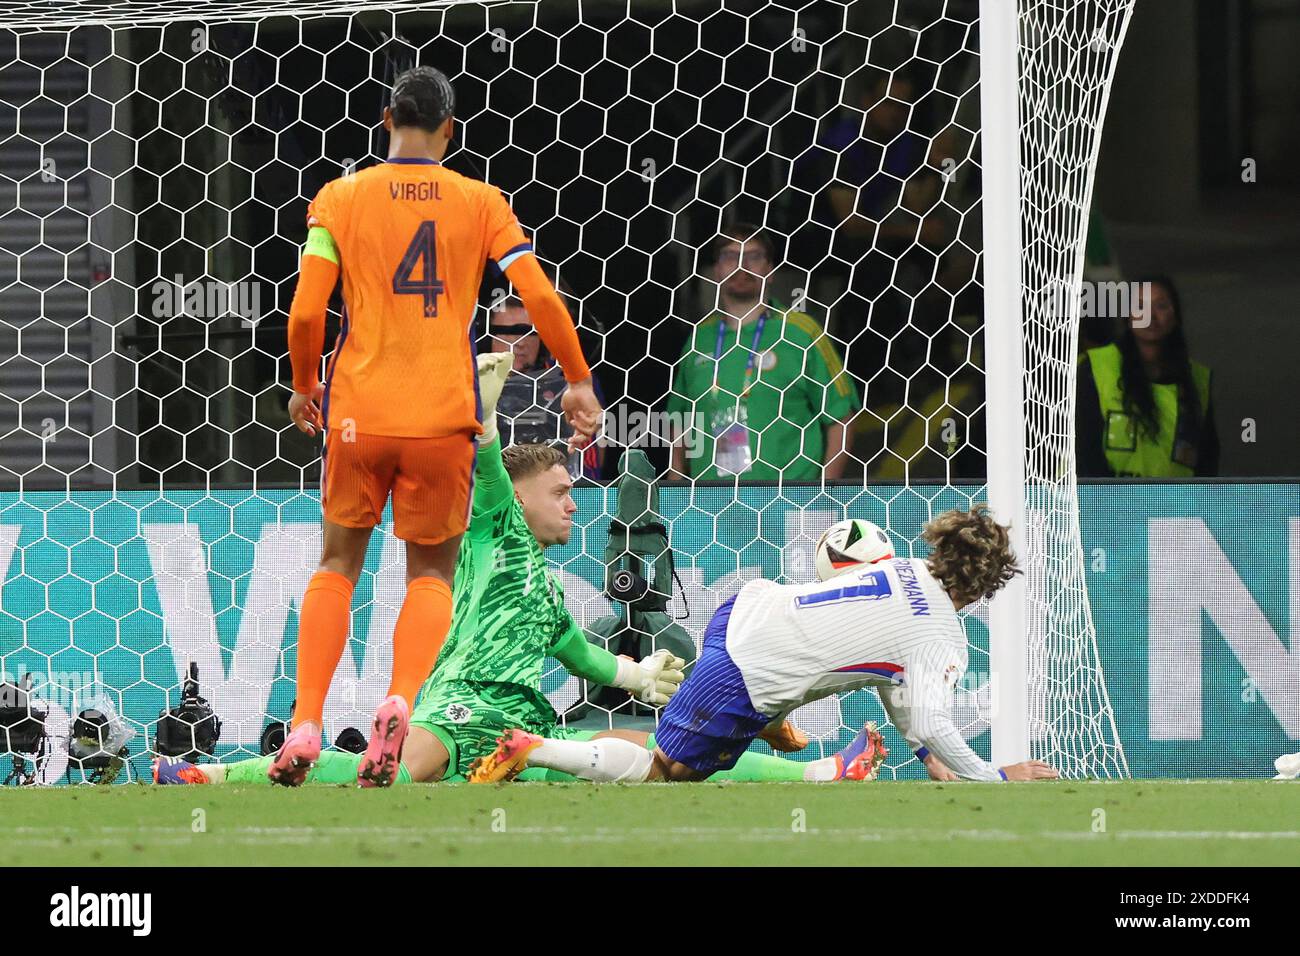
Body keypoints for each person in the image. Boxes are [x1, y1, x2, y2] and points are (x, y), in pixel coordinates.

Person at [155, 355, 853, 786]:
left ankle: (821, 772)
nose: (575, 504)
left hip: (526, 727)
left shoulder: (549, 589)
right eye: (561, 491)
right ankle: (208, 773)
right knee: (392, 776)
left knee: (671, 758)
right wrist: (481, 408)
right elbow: (484, 467)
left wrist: (639, 677)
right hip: (462, 705)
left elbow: (582, 657)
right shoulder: (494, 533)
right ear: (521, 501)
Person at [278, 65, 601, 787]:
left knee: (337, 565)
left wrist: (305, 387)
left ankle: (304, 723)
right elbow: (537, 293)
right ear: (449, 131)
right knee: (430, 573)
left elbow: (305, 313)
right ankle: (401, 700)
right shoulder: (480, 200)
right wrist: (576, 379)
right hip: (441, 417)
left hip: (359, 412)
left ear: (386, 117)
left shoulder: (342, 196)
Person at [470, 506, 1060, 784]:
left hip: (745, 612)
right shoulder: (938, 631)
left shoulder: (903, 567)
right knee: (670, 771)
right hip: (751, 670)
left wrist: (930, 761)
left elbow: (888, 675)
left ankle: (766, 720)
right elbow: (930, 718)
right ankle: (534, 749)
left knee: (747, 712)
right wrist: (995, 778)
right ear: (987, 585)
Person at [666, 223, 860, 481]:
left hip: (789, 503)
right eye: (730, 256)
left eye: (753, 256)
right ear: (716, 270)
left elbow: (841, 417)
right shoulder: (699, 338)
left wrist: (822, 494)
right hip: (708, 507)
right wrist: (676, 487)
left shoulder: (802, 332)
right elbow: (678, 420)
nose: (741, 266)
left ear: (770, 270)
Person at [1076, 276, 1218, 477]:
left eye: (1161, 306)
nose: (1150, 315)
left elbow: (1207, 461)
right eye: (1140, 306)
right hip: (1104, 502)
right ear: (1127, 315)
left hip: (1173, 505)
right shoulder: (1095, 367)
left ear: (1176, 316)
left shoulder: (1197, 379)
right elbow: (1083, 450)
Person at [487, 296, 604, 479]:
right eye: (508, 332)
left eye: (528, 332)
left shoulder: (570, 383)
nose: (520, 342)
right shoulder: (469, 383)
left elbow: (589, 460)